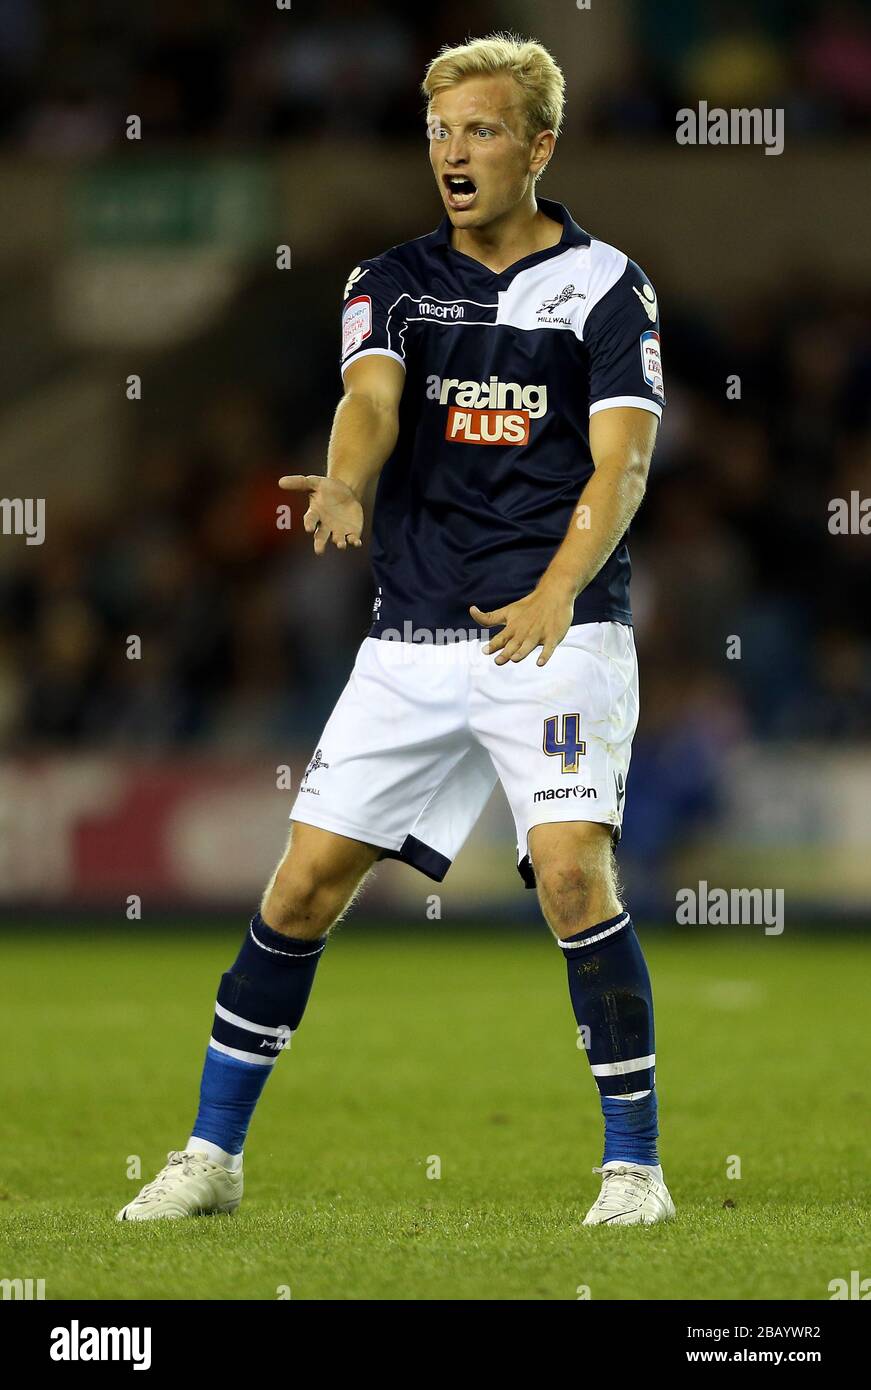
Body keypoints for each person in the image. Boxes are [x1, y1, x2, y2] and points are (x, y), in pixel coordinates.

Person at [119, 32, 673, 1228]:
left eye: (477, 130)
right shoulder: (389, 280)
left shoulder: (607, 287)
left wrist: (558, 588)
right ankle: (211, 1157)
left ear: (538, 145)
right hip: (412, 637)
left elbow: (623, 466)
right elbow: (369, 401)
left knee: (573, 875)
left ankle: (633, 1168)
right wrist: (347, 481)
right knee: (302, 887)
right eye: (437, 132)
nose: (452, 153)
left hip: (556, 633)